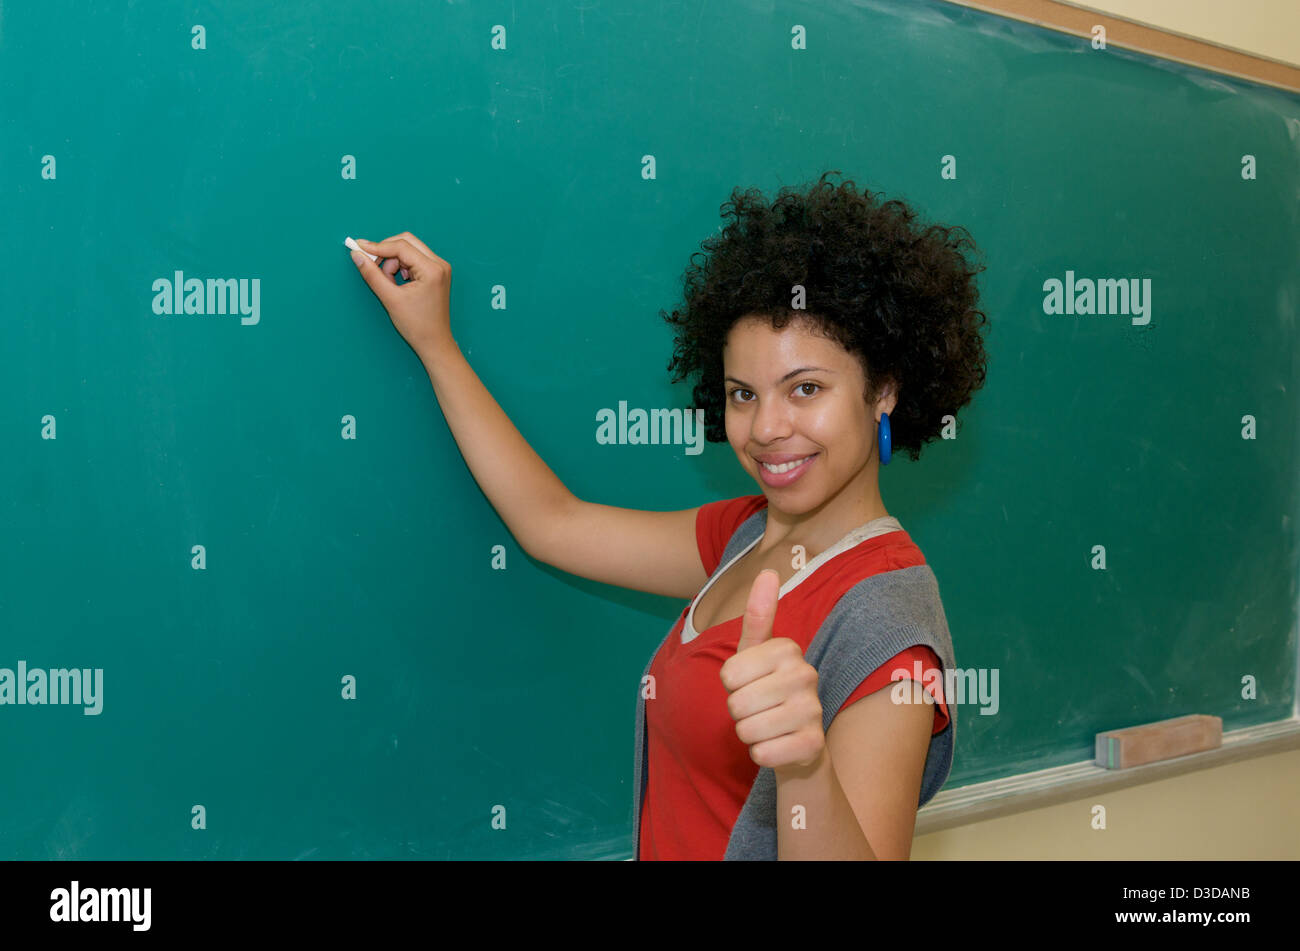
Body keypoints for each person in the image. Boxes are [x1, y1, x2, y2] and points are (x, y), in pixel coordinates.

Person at [349, 170, 990, 860]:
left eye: (805, 389)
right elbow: (553, 524)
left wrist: (805, 765)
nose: (767, 427)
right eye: (743, 393)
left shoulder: (887, 624)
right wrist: (435, 342)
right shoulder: (745, 534)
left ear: (885, 389)